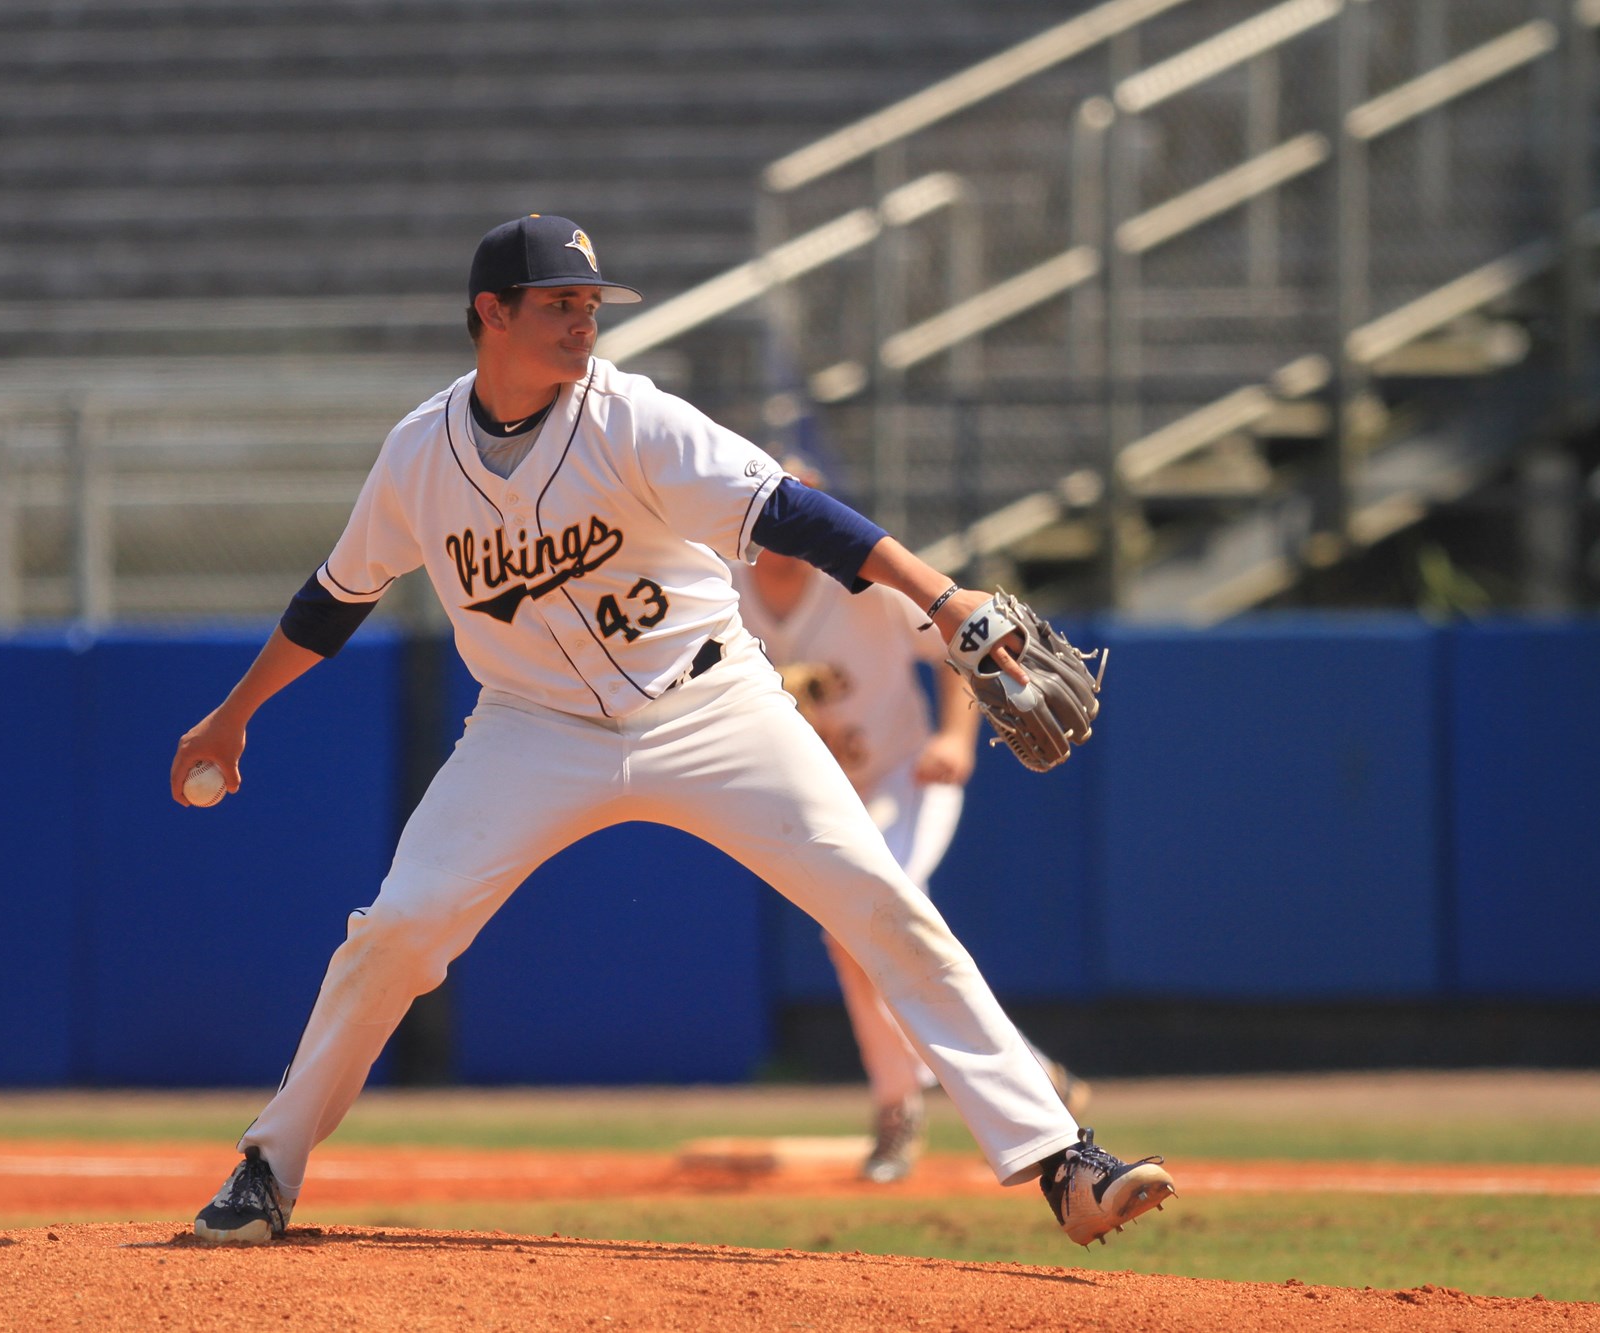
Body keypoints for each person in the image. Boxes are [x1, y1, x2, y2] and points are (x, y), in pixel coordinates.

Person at [169, 214, 1173, 1248]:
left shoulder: (631, 418)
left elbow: (791, 511)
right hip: (528, 730)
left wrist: (940, 596)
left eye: (590, 305)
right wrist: (234, 714)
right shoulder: (418, 455)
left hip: (710, 705)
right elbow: (335, 598)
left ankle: (1063, 1160)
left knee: (877, 900)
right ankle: (267, 1166)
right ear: (490, 314)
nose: (581, 323)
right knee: (397, 929)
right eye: (558, 304)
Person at [732, 461, 1092, 1184]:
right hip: (822, 793)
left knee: (868, 920)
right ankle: (1021, 1075)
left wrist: (955, 740)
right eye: (776, 502)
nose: (788, 516)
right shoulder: (721, 588)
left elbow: (958, 649)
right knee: (854, 940)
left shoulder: (854, 574)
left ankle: (900, 1108)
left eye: (802, 503)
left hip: (904, 778)